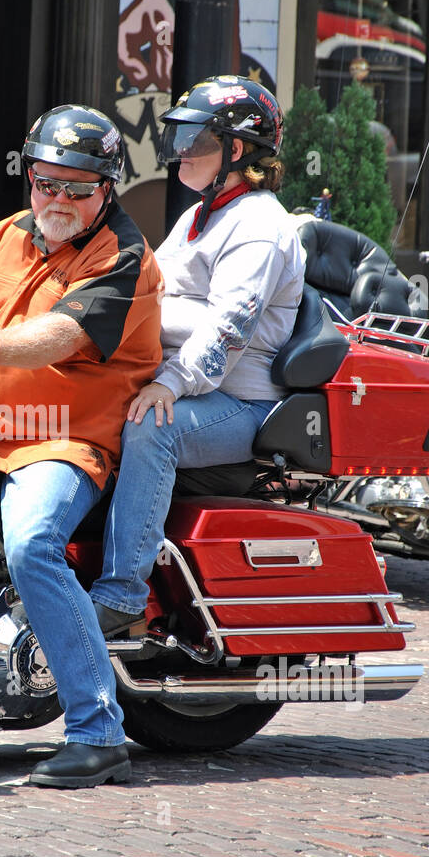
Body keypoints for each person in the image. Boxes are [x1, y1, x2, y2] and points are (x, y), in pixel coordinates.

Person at [0, 104, 163, 788]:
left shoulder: (124, 256)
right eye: (47, 182)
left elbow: (58, 334)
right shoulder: (7, 237)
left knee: (32, 542)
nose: (59, 199)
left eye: (78, 188)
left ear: (107, 187)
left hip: (63, 441)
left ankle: (97, 729)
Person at [89, 75, 304, 636]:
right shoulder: (200, 214)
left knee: (150, 427)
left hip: (238, 398)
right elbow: (148, 287)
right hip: (188, 379)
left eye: (196, 141)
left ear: (236, 152)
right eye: (179, 139)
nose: (180, 153)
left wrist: (169, 383)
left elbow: (227, 330)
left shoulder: (258, 226)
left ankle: (121, 596)